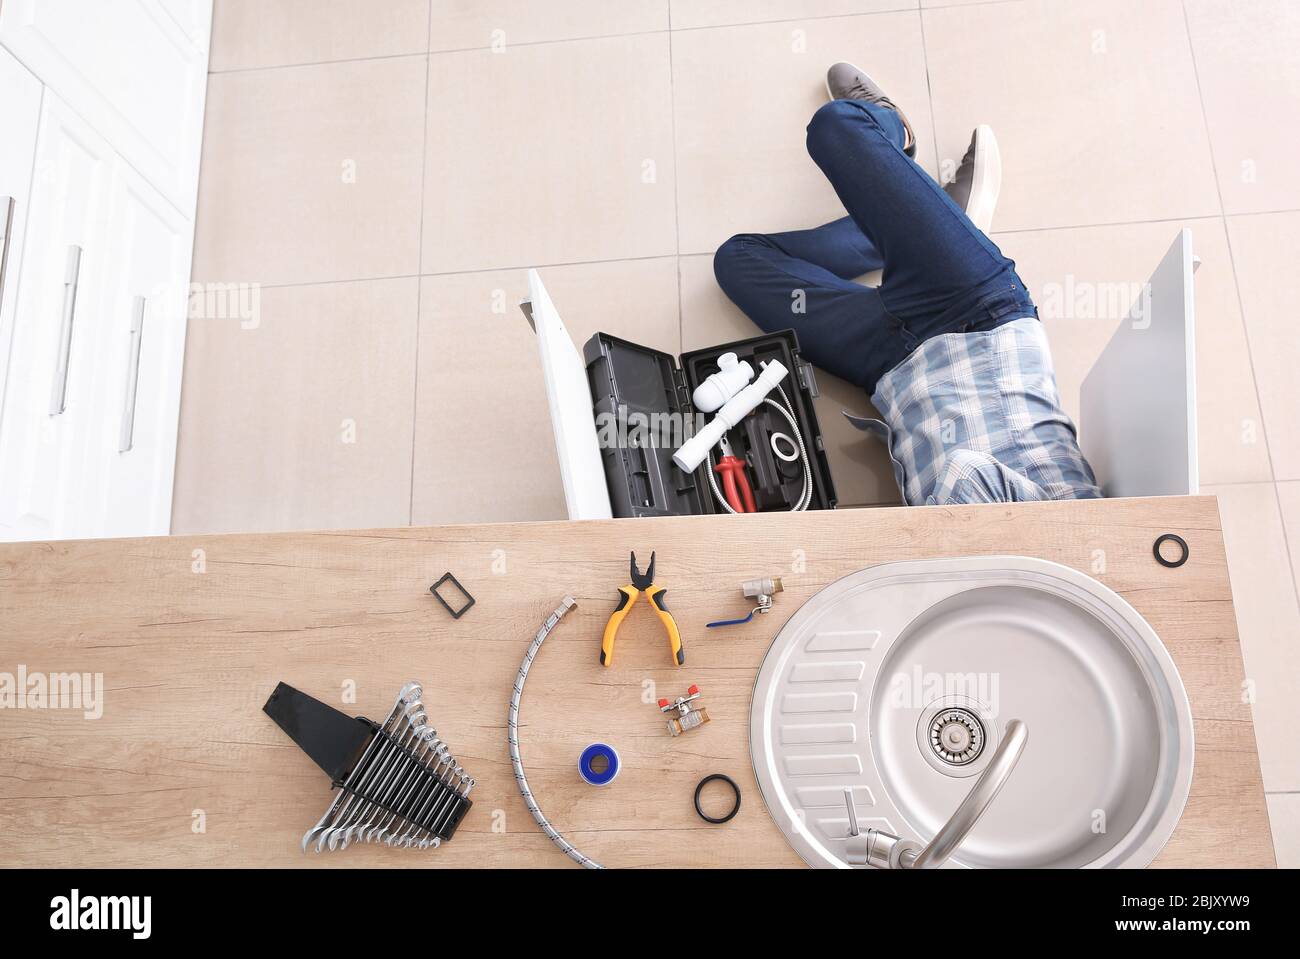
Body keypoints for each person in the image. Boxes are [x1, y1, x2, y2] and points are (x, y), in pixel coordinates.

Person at [712, 62, 1100, 506]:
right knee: (838, 125)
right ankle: (898, 142)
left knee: (738, 260)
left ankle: (928, 220)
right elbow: (965, 474)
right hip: (972, 311)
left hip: (890, 366)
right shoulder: (1074, 546)